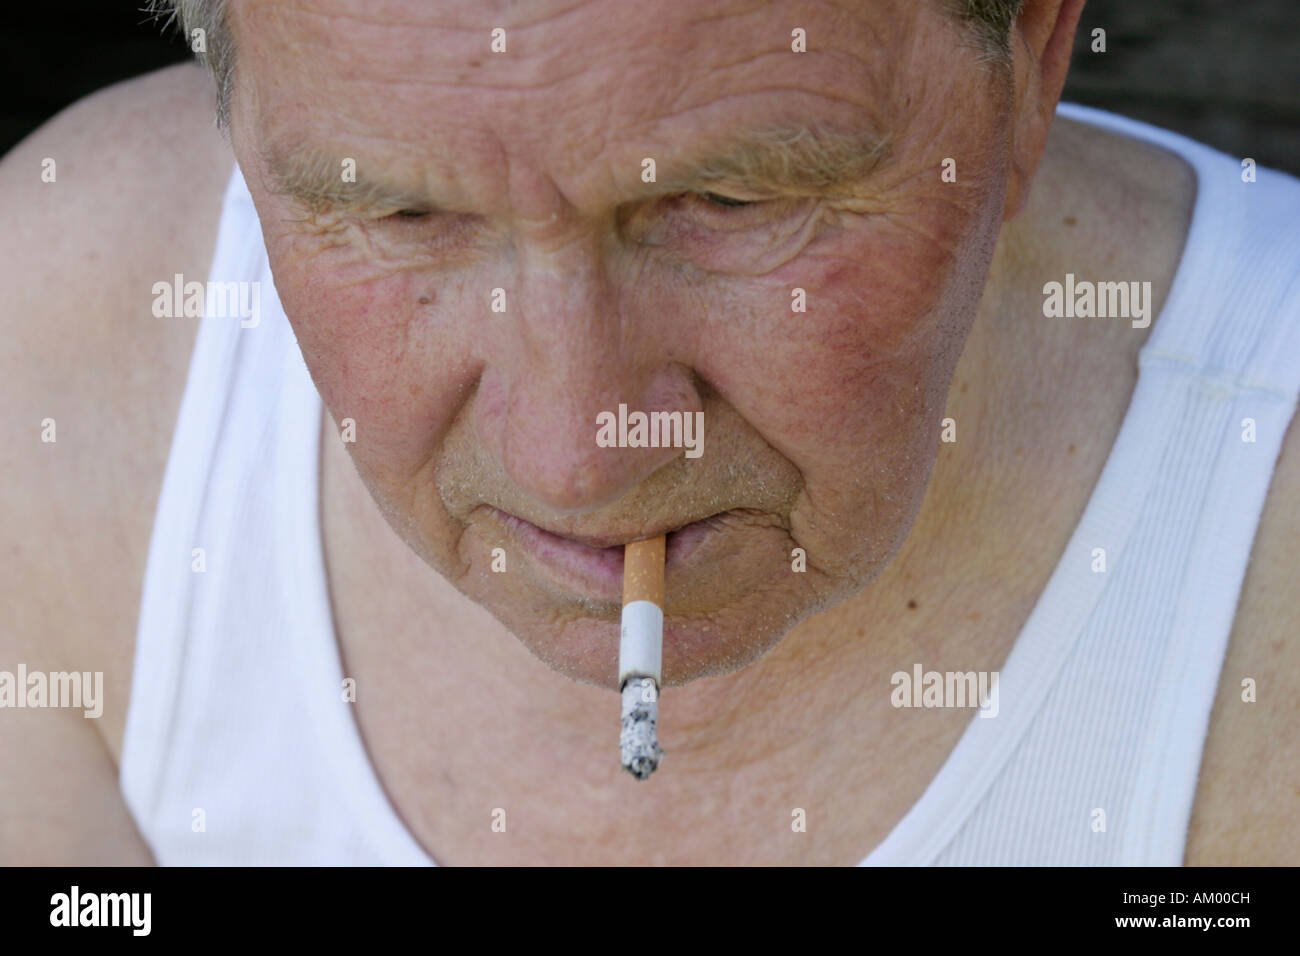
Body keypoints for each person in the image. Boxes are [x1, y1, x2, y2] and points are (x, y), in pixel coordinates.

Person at [1, 0, 1297, 866]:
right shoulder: (62, 352)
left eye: (730, 201)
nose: (577, 454)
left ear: (1028, 57)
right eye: (400, 217)